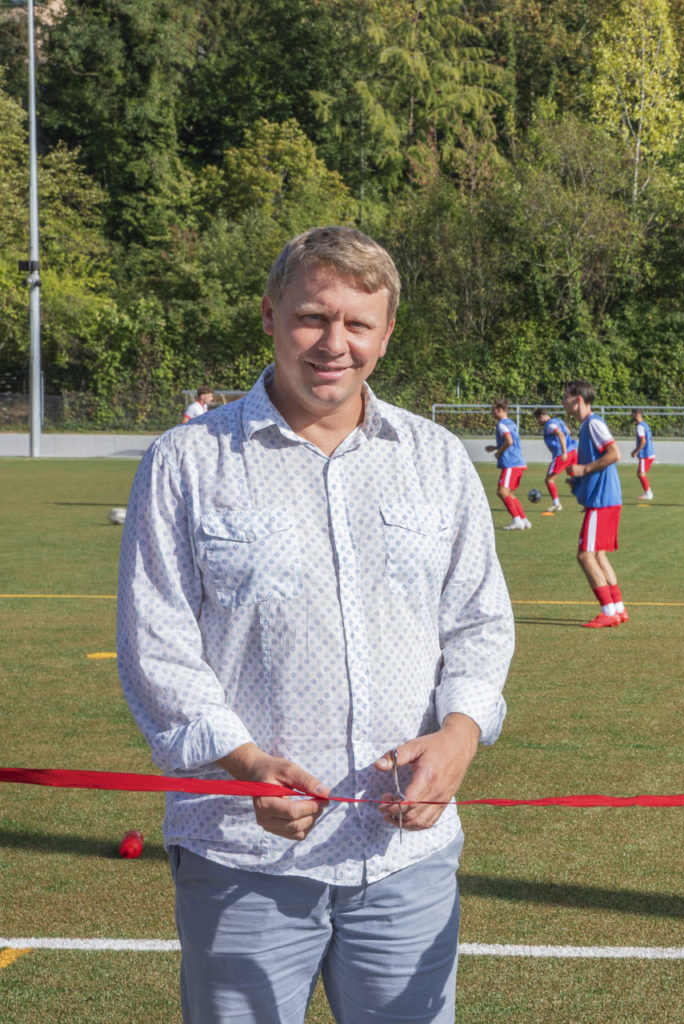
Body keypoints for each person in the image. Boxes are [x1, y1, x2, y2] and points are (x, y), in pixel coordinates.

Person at [116, 226, 515, 1024]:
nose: (335, 344)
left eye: (358, 324)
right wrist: (245, 764)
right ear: (270, 316)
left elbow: (479, 622)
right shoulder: (187, 461)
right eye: (312, 318)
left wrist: (460, 735)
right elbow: (156, 647)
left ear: (386, 333)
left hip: (405, 857)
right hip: (243, 855)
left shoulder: (435, 458)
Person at [563, 380, 628, 627]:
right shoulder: (587, 426)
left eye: (566, 397)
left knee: (585, 555)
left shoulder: (593, 423)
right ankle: (618, 608)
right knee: (598, 554)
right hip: (605, 499)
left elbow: (614, 454)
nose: (563, 401)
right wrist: (579, 481)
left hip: (602, 501)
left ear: (578, 399)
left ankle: (608, 610)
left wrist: (584, 469)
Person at [487, 399, 532, 530]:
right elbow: (511, 441)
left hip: (511, 462)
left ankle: (517, 520)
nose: (491, 413)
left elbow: (509, 441)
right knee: (509, 493)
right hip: (518, 462)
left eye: (493, 410)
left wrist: (498, 452)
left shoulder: (501, 424)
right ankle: (524, 520)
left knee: (502, 491)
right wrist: (496, 447)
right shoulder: (511, 423)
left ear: (500, 410)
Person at [536, 407, 574, 513]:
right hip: (573, 451)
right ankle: (587, 503)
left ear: (541, 417)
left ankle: (556, 504)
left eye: (538, 420)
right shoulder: (558, 420)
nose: (538, 422)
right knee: (576, 479)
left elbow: (560, 434)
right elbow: (569, 432)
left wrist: (564, 452)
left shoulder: (550, 425)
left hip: (561, 454)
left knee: (549, 479)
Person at [632, 408, 656, 500]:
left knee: (641, 474)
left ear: (637, 415)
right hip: (650, 453)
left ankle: (648, 494)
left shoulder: (640, 426)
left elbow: (643, 441)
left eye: (633, 414)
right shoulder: (645, 425)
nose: (631, 416)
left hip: (645, 454)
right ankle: (648, 492)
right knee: (640, 473)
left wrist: (635, 451)